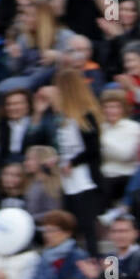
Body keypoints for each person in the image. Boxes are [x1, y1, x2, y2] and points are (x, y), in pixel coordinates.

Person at [49, 70, 104, 257]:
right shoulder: (62, 118)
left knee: (88, 228)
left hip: (85, 180)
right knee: (69, 226)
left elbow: (93, 149)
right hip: (68, 180)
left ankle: (97, 267)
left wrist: (72, 161)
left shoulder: (86, 116)